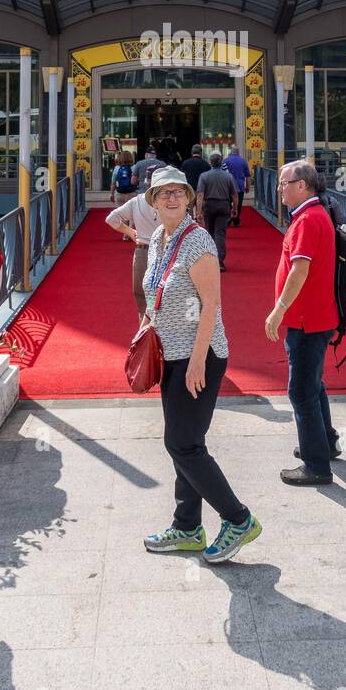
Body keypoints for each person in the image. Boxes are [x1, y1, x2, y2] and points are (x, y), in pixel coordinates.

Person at [141, 166, 261, 563]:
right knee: (186, 442)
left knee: (182, 443)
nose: (171, 198)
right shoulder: (159, 237)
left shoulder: (198, 241)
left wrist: (197, 363)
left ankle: (238, 518)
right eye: (163, 193)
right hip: (169, 355)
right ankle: (188, 526)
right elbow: (154, 291)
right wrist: (146, 327)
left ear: (191, 198)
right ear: (153, 201)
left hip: (199, 356)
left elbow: (211, 305)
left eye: (179, 192)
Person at [265, 161, 341, 485]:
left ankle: (316, 465)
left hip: (306, 320)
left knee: (301, 391)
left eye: (285, 182)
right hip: (315, 316)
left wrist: (278, 309)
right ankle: (326, 442)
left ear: (303, 185)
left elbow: (299, 270)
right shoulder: (312, 215)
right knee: (313, 384)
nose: (280, 188)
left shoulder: (308, 220)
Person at [104, 175, 159, 318]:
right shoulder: (172, 204)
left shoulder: (137, 201)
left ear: (146, 182)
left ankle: (144, 331)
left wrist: (130, 232)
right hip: (167, 252)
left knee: (142, 296)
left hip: (143, 251)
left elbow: (111, 219)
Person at [195, 154, 238, 272]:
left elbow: (200, 195)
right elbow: (234, 195)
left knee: (209, 232)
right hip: (224, 205)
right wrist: (235, 209)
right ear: (221, 163)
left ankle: (210, 259)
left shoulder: (204, 176)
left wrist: (198, 211)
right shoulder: (228, 176)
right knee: (220, 233)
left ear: (210, 163)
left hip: (209, 205)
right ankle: (219, 261)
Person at [222, 144, 251, 227]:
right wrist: (247, 186)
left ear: (231, 152)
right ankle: (236, 219)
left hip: (227, 186)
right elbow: (248, 176)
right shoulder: (243, 161)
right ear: (238, 152)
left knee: (227, 202)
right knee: (238, 203)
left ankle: (228, 218)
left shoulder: (225, 160)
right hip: (239, 186)